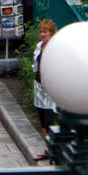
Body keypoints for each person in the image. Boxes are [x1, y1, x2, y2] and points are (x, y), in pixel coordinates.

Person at [33, 18, 59, 159]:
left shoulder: (54, 49)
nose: (43, 34)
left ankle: (54, 152)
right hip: (39, 86)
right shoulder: (39, 46)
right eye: (41, 32)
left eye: (46, 32)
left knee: (49, 120)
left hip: (49, 88)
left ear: (51, 33)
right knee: (42, 120)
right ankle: (47, 149)